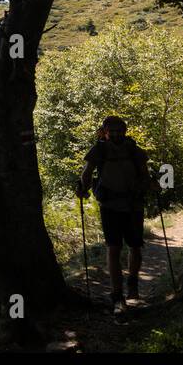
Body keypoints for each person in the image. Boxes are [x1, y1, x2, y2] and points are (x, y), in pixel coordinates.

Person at [77, 115, 150, 311]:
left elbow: (144, 173)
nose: (116, 134)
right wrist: (83, 188)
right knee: (114, 248)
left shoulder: (134, 150)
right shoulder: (99, 149)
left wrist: (150, 185)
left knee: (135, 246)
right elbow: (87, 172)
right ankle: (117, 295)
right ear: (105, 132)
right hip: (110, 205)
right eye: (112, 131)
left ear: (125, 131)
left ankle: (132, 282)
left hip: (133, 204)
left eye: (119, 130)